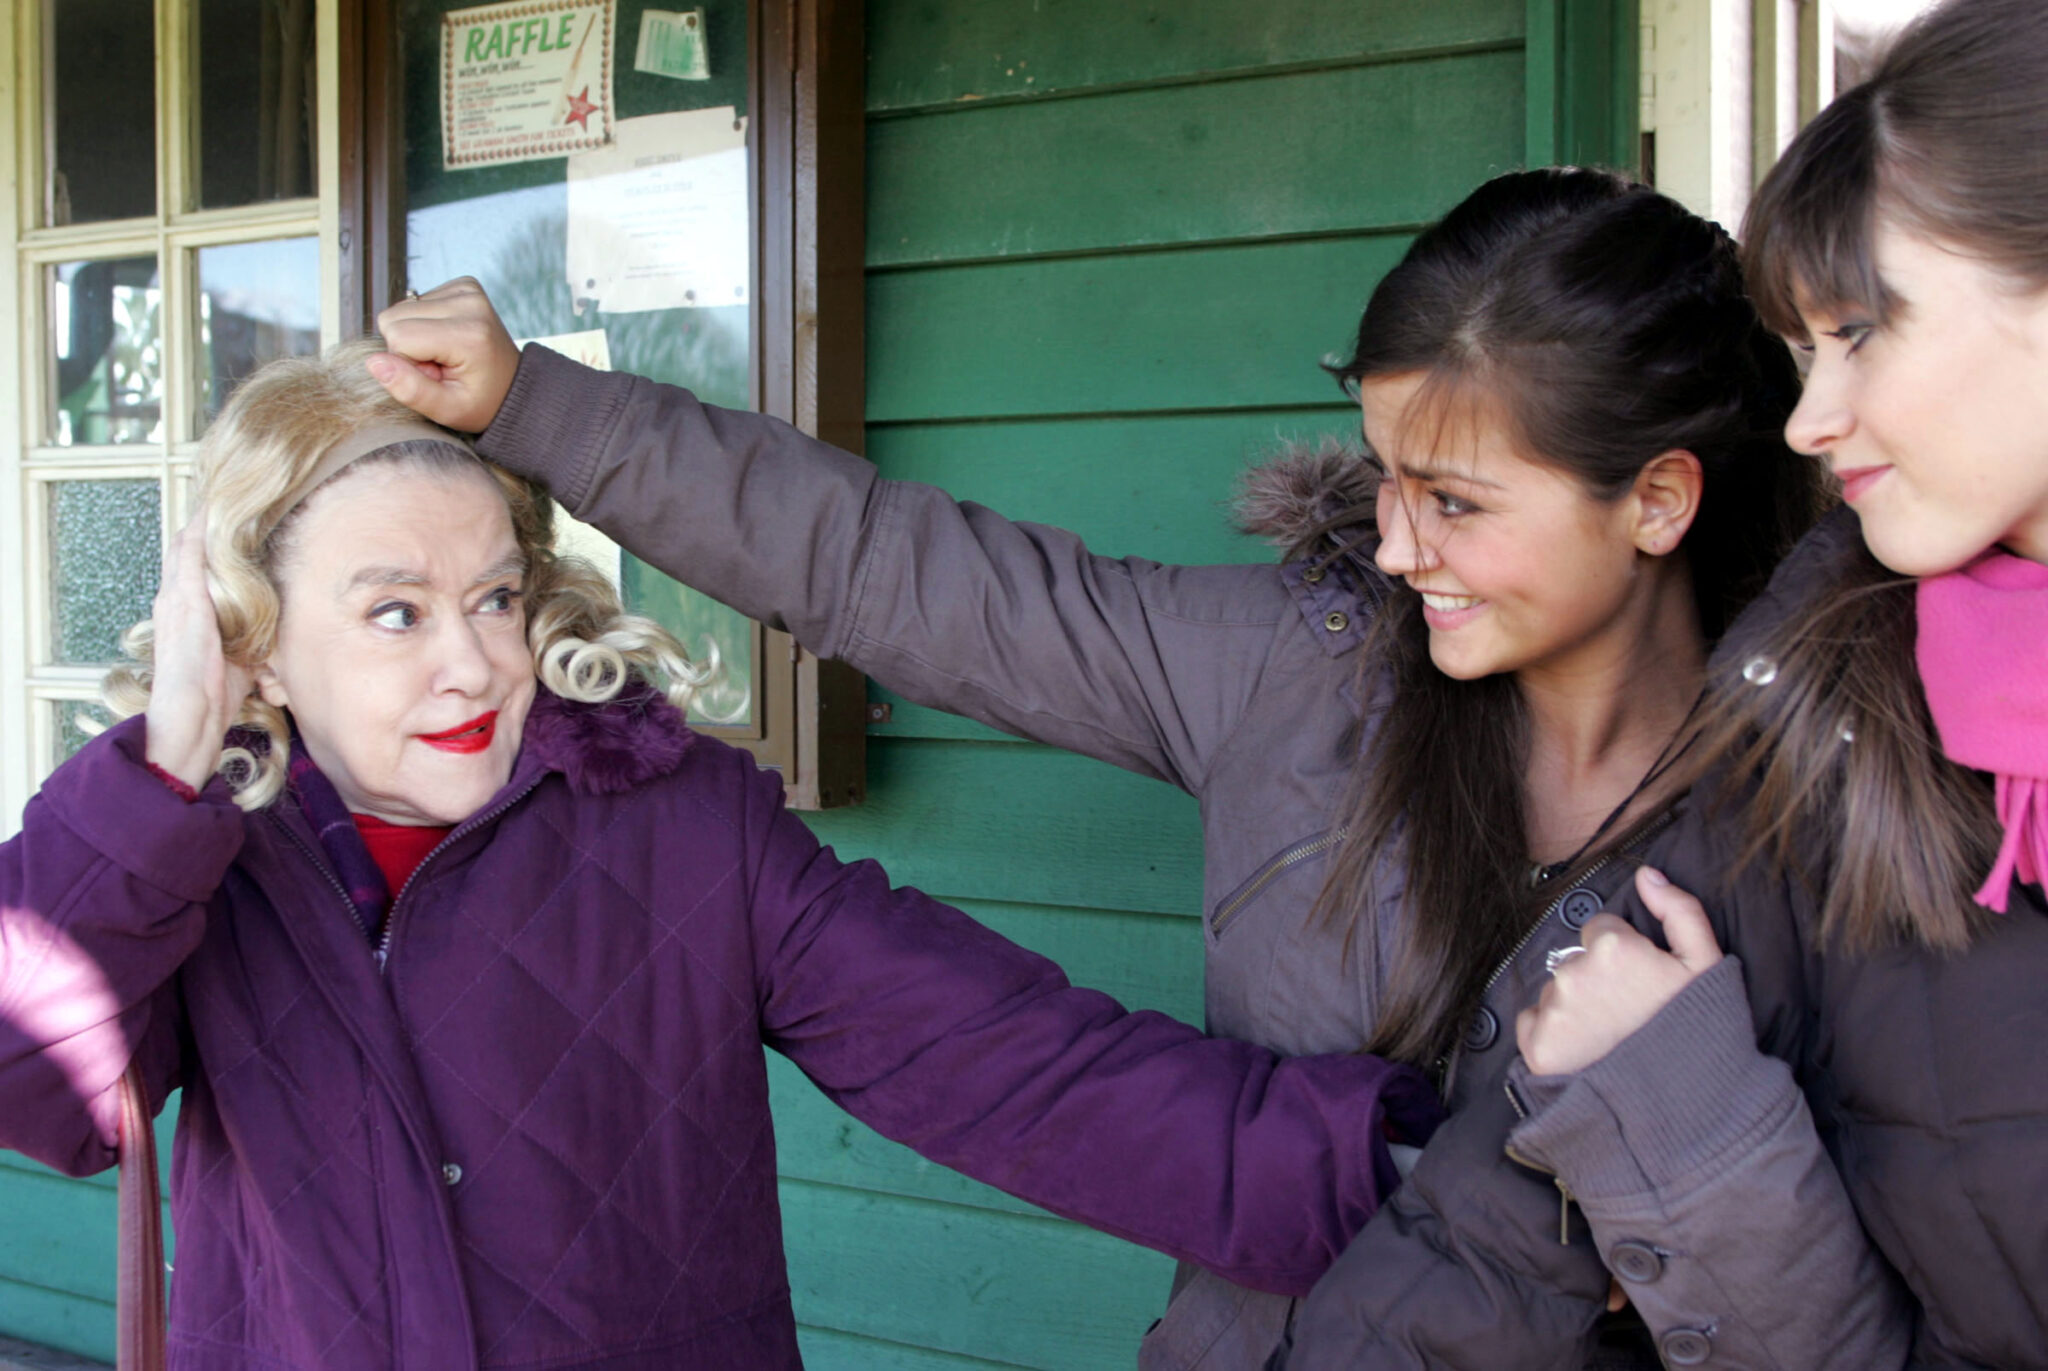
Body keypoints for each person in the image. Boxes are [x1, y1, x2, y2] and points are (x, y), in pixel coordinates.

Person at [371, 168, 1899, 1369]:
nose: (1393, 545)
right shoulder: (1301, 672)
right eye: (1383, 482)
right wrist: (537, 406)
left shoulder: (1836, 812)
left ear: (1658, 500)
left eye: (1455, 501)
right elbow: (892, 571)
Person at [0, 341, 1447, 1371]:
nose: (474, 665)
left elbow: (1014, 1064)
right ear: (253, 634)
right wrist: (163, 767)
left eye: (497, 596)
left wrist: (1413, 1175)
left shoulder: (681, 821)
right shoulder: (197, 855)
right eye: (396, 613)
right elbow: (37, 1093)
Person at [1288, 2, 2048, 1366]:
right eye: (1804, 350)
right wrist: (1684, 1133)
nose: (1811, 420)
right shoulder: (1828, 705)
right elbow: (1478, 1242)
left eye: (1864, 331)